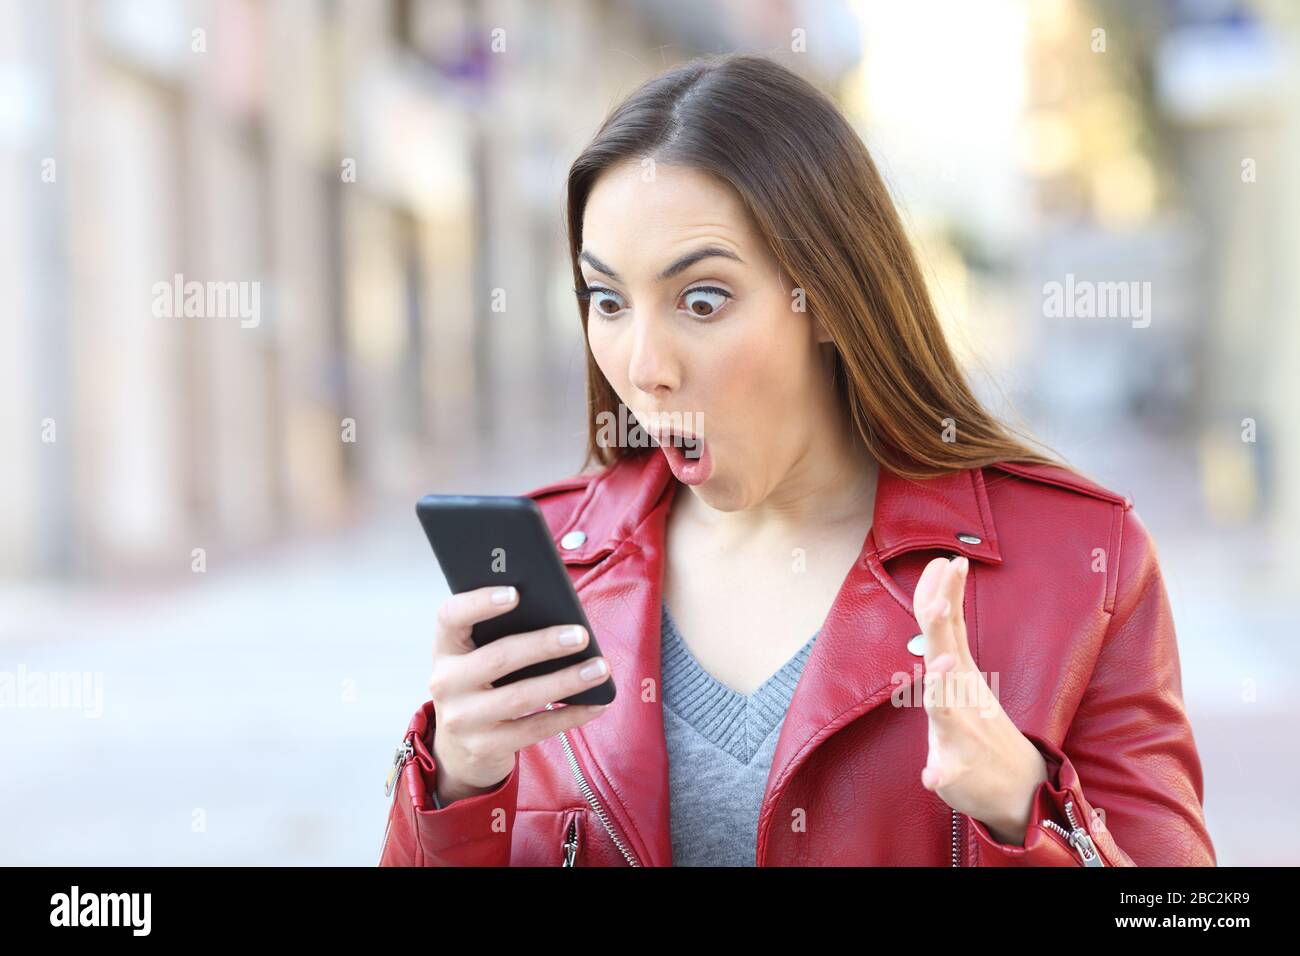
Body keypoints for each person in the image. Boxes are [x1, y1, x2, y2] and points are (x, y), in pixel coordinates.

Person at [379, 52, 1215, 867]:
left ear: (826, 299)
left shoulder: (1082, 565)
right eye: (607, 301)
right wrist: (455, 784)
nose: (642, 366)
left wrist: (1018, 811)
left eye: (701, 300)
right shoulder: (557, 561)